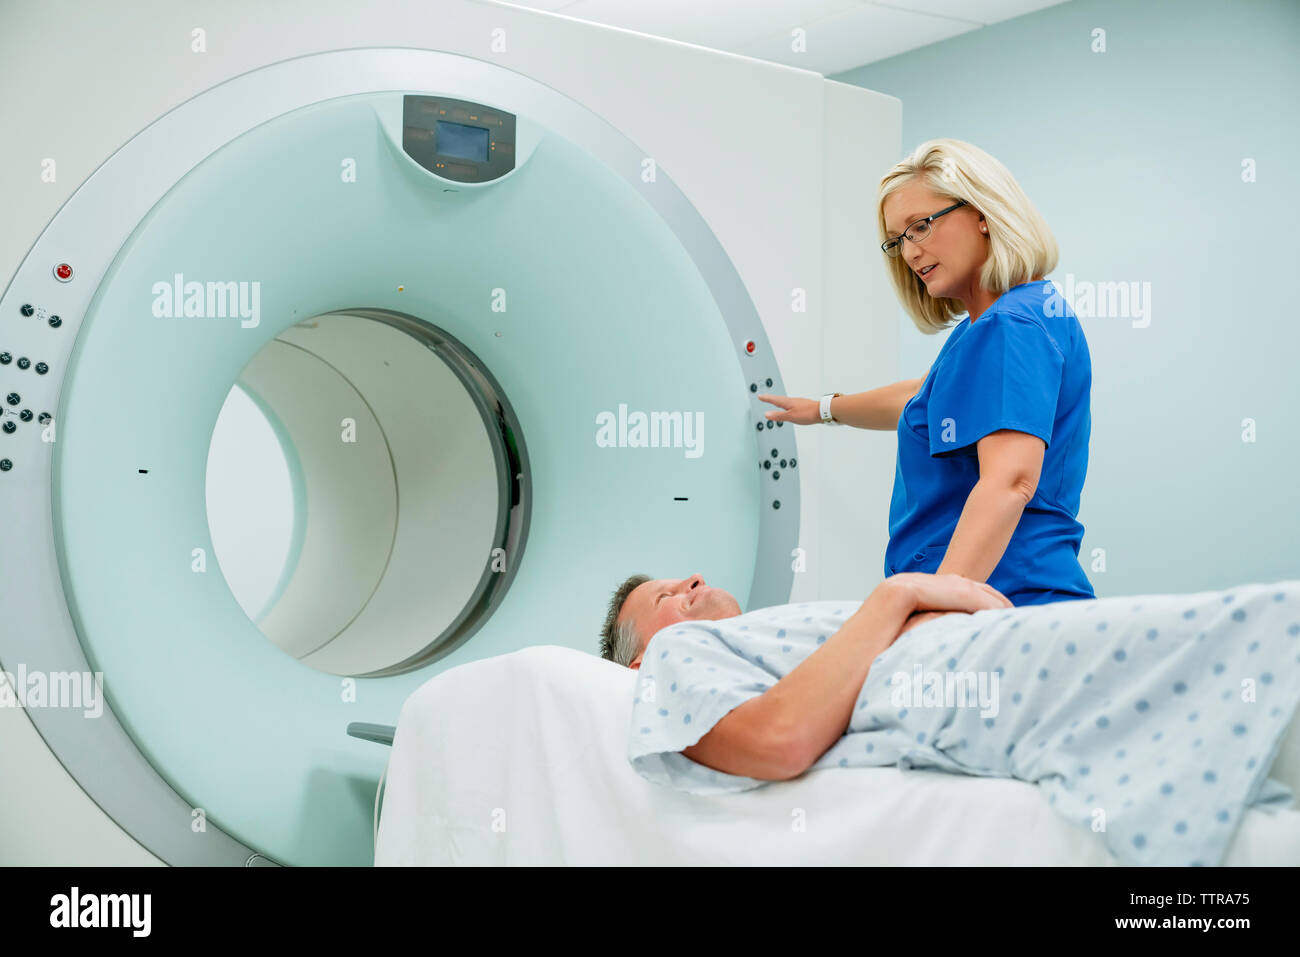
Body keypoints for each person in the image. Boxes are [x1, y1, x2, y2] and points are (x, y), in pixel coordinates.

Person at [760, 138, 1094, 606]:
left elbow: (1011, 479)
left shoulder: (1011, 324)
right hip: (989, 596)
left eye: (921, 226)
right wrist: (822, 409)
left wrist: (930, 608)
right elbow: (922, 398)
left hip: (1003, 600)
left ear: (982, 213)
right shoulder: (1004, 322)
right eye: (898, 240)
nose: (911, 252)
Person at [598, 571, 1009, 780]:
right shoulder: (669, 655)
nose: (695, 579)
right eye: (664, 597)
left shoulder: (761, 648)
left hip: (993, 653)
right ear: (643, 663)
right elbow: (778, 739)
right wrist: (900, 594)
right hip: (998, 673)